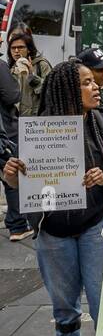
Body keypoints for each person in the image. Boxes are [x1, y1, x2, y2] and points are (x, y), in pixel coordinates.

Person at [2, 60, 103, 336]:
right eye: (87, 83)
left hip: (94, 228)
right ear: (67, 91)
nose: (95, 88)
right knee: (65, 311)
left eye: (94, 82)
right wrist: (12, 175)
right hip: (53, 234)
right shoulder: (37, 132)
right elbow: (18, 185)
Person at [0, 56, 31, 241]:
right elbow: (12, 95)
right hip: (6, 130)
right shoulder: (1, 66)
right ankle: (18, 225)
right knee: (12, 175)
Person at [8, 26, 51, 117]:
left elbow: (51, 90)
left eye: (20, 47)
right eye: (13, 48)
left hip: (36, 120)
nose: (16, 51)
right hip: (16, 121)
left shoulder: (41, 65)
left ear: (28, 50)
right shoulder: (9, 68)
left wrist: (32, 77)